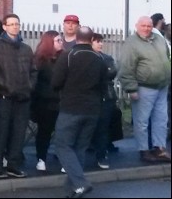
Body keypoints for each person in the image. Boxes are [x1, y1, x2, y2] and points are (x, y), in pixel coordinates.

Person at [51, 27, 107, 199]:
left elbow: (56, 82)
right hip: (92, 109)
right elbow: (103, 86)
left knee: (62, 145)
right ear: (91, 40)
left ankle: (80, 183)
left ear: (76, 38)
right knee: (79, 148)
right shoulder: (100, 59)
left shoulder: (67, 56)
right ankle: (74, 188)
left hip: (71, 108)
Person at [0, 13, 36, 179]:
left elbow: (34, 71)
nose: (14, 27)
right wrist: (4, 86)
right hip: (3, 97)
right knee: (0, 133)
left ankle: (13, 165)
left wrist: (29, 86)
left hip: (23, 98)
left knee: (19, 134)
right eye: (11, 24)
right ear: (4, 26)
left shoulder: (26, 48)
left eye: (17, 24)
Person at [118, 16, 171, 163]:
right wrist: (131, 88)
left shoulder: (159, 39)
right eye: (143, 26)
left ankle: (159, 148)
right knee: (142, 122)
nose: (146, 28)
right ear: (137, 26)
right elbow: (126, 67)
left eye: (148, 26)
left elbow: (167, 56)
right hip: (143, 87)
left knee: (161, 119)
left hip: (162, 86)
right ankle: (144, 150)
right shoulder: (131, 43)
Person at [31, 30, 63, 172]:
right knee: (44, 132)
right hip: (45, 103)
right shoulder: (41, 60)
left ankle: (63, 159)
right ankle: (41, 158)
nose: (61, 42)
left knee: (63, 133)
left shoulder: (64, 58)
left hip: (61, 102)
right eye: (58, 40)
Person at [90, 33, 118, 169]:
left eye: (101, 41)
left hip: (106, 96)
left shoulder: (107, 58)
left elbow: (112, 72)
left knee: (102, 127)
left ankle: (101, 155)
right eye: (96, 41)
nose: (100, 44)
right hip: (89, 97)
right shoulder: (86, 58)